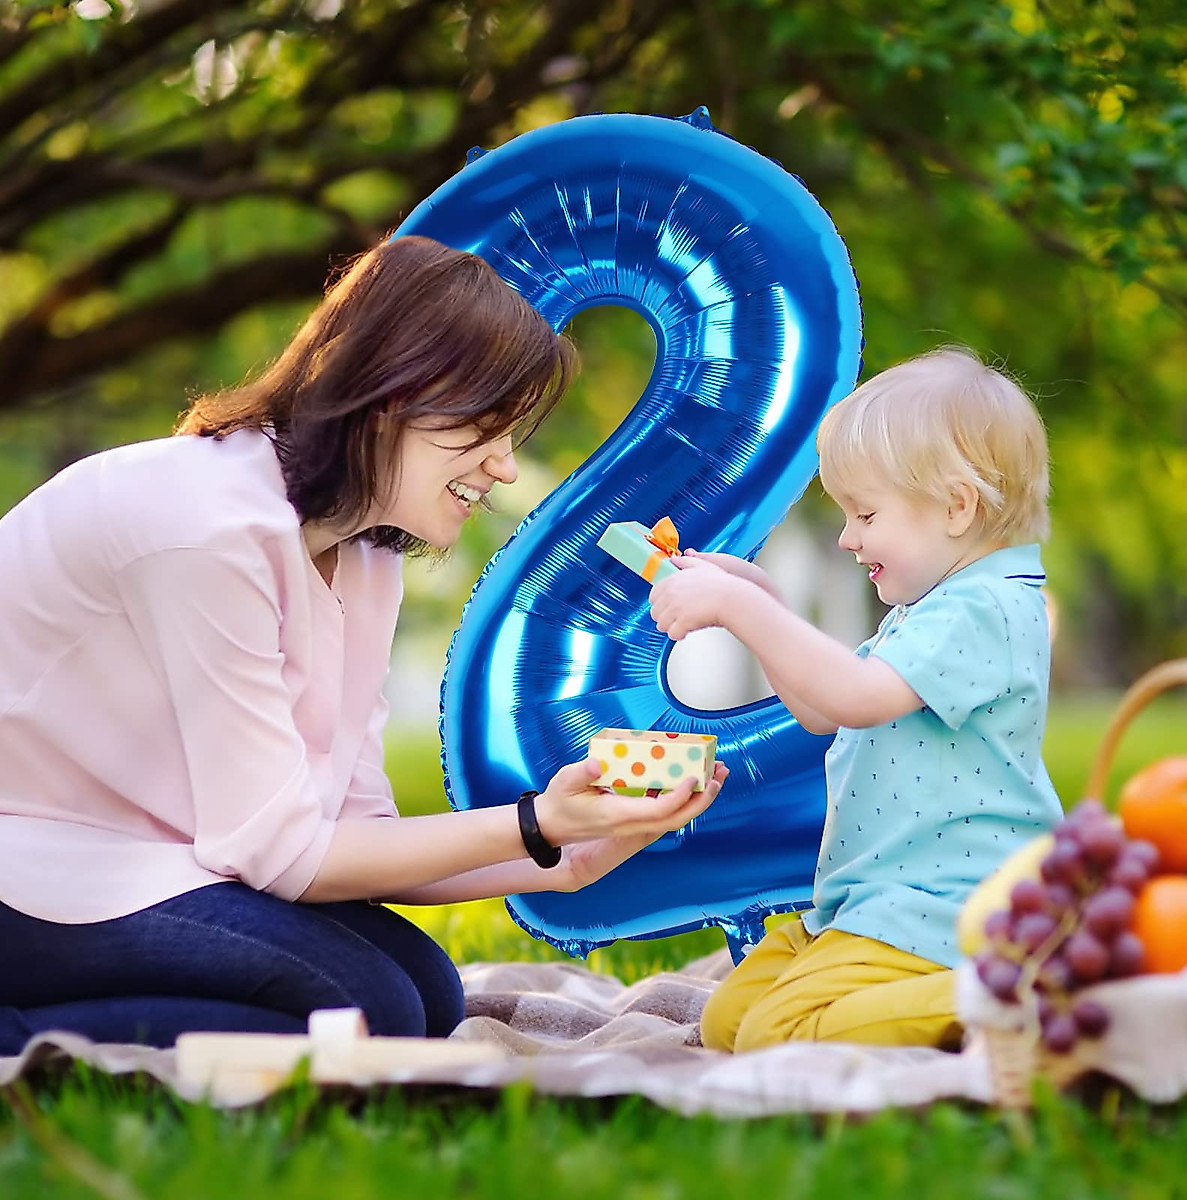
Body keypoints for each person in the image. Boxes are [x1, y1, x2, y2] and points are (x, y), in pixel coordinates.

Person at [0, 235, 725, 1054]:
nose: (507, 467)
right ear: (394, 393)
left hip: (124, 861)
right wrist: (533, 821)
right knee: (363, 1000)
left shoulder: (365, 554)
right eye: (489, 426)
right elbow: (282, 854)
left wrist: (571, 850)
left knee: (422, 990)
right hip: (26, 866)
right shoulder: (205, 529)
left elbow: (354, 828)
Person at [648, 347, 1061, 1052]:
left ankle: (1008, 996)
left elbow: (857, 695)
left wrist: (742, 610)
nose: (846, 537)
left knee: (778, 1035)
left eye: (865, 513)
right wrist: (760, 602)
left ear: (957, 507)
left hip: (951, 909)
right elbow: (823, 707)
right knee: (729, 1024)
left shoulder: (984, 608)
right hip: (875, 903)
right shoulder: (931, 609)